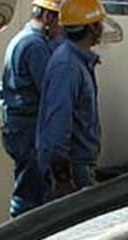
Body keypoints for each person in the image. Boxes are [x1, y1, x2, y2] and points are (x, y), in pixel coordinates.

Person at [37, 0, 109, 200]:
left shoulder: (76, 61)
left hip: (79, 165)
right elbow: (57, 126)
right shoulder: (68, 66)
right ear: (92, 27)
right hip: (74, 170)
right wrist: (62, 179)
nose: (102, 28)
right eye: (99, 23)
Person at [0, 0, 60, 217]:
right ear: (47, 17)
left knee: (27, 188)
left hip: (16, 125)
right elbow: (48, 88)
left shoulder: (19, 39)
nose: (60, 28)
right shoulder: (35, 46)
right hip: (28, 127)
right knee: (29, 194)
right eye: (58, 21)